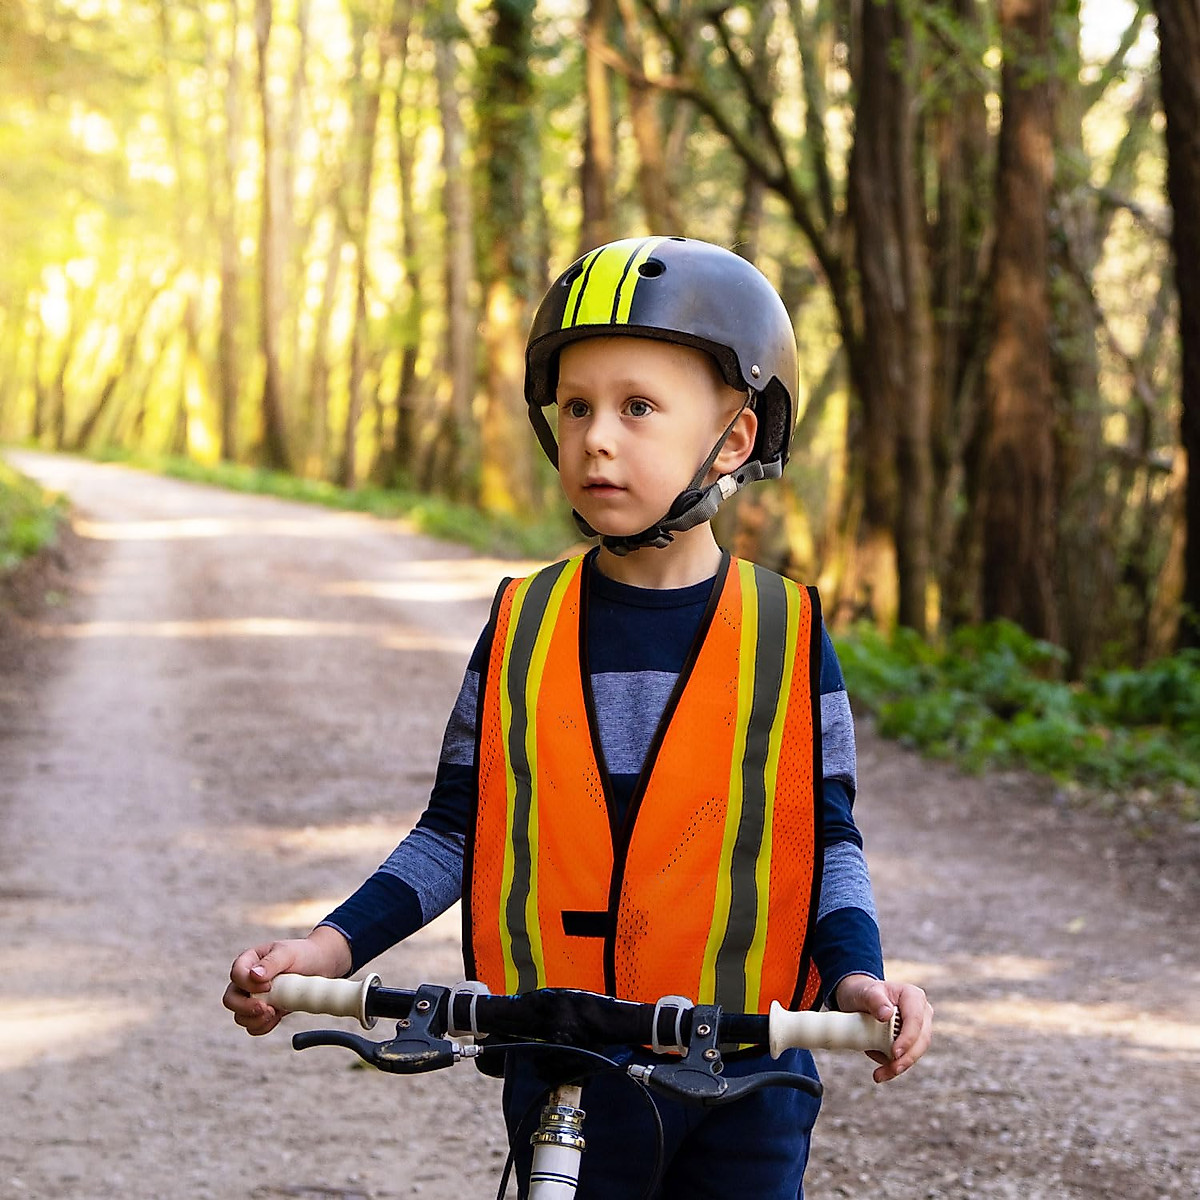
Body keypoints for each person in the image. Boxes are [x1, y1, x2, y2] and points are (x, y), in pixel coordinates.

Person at [224, 235, 933, 1197]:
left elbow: (827, 838)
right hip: (560, 1060)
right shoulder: (523, 622)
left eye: (639, 407)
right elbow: (456, 828)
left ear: (733, 438)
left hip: (749, 1072)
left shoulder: (789, 633)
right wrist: (328, 947)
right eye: (576, 407)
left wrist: (858, 979)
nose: (597, 435)